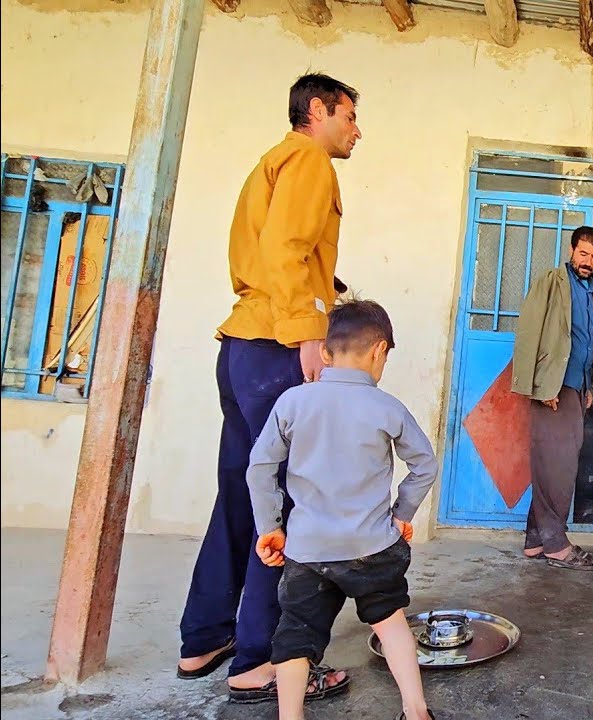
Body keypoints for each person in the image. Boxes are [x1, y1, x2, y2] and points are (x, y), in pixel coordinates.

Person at [177, 73, 360, 699]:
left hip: (241, 347)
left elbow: (276, 254)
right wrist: (309, 329)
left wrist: (326, 293)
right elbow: (287, 249)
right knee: (281, 506)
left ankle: (204, 636)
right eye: (349, 117)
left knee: (240, 494)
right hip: (277, 348)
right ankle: (260, 657)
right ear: (318, 111)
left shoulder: (271, 162)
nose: (356, 131)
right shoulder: (309, 158)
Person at [247, 300, 437, 720]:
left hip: (307, 550)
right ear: (379, 351)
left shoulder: (292, 402)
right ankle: (416, 711)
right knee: (390, 624)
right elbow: (425, 464)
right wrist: (402, 513)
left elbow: (260, 468)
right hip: (372, 546)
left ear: (326, 354)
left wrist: (270, 527)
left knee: (294, 636)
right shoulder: (387, 407)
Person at [511, 226, 593, 570]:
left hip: (575, 388)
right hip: (552, 389)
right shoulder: (551, 282)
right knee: (557, 467)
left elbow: (588, 342)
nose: (588, 261)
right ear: (572, 250)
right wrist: (541, 387)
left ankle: (535, 540)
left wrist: (589, 387)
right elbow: (529, 333)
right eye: (583, 254)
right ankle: (556, 544)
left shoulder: (591, 291)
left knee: (556, 464)